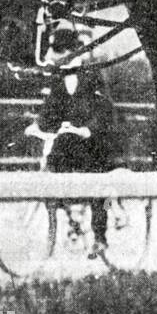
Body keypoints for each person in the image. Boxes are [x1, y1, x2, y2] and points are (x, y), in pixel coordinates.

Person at [26, 25, 118, 256]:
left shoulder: (92, 76)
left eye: (56, 51)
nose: (51, 57)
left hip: (93, 144)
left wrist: (88, 129)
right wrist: (38, 126)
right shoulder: (59, 80)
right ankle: (71, 221)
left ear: (69, 52)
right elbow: (50, 110)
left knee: (96, 187)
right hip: (68, 144)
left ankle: (99, 237)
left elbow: (106, 111)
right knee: (52, 171)